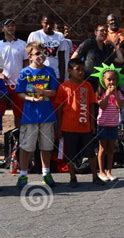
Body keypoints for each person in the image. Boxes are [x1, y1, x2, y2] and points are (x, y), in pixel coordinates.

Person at [14, 42, 58, 190]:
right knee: (27, 147)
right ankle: (23, 175)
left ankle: (46, 173)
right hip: (30, 115)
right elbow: (20, 93)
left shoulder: (50, 71)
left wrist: (42, 92)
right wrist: (31, 98)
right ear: (30, 56)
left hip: (47, 114)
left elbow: (53, 91)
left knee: (46, 146)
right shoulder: (24, 73)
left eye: (43, 53)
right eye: (37, 53)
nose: (41, 56)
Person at [55, 59, 102, 187]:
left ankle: (95, 176)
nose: (81, 72)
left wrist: (93, 124)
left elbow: (92, 106)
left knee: (91, 153)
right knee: (70, 155)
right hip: (68, 127)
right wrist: (58, 128)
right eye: (77, 70)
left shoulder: (87, 86)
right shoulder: (63, 87)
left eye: (82, 69)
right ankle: (72, 178)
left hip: (85, 127)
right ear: (70, 71)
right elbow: (59, 109)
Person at [95, 66, 124, 182]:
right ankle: (101, 171)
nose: (111, 82)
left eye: (114, 79)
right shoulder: (100, 93)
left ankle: (109, 171)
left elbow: (119, 106)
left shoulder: (118, 93)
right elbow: (102, 105)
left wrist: (115, 94)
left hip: (113, 124)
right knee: (102, 148)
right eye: (109, 79)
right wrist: (107, 94)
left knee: (111, 149)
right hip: (102, 124)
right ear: (103, 80)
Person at [71, 24, 117, 91]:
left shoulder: (106, 48)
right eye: (101, 30)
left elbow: (120, 60)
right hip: (86, 81)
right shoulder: (89, 43)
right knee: (84, 101)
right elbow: (73, 59)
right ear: (96, 32)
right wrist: (77, 75)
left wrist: (113, 45)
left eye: (106, 31)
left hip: (101, 85)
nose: (104, 33)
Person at [0, 18, 28, 127]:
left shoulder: (23, 44)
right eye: (8, 26)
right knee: (0, 112)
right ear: (3, 29)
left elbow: (26, 63)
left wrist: (24, 77)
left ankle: (18, 140)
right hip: (2, 85)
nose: (11, 28)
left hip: (18, 84)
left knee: (19, 113)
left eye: (13, 25)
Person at [27, 14, 66, 82]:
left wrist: (62, 76)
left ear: (54, 23)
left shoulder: (59, 36)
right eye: (46, 23)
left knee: (52, 92)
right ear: (42, 22)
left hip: (55, 74)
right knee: (36, 92)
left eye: (51, 23)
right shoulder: (34, 35)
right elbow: (29, 56)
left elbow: (62, 58)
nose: (49, 26)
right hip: (38, 73)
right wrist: (31, 73)